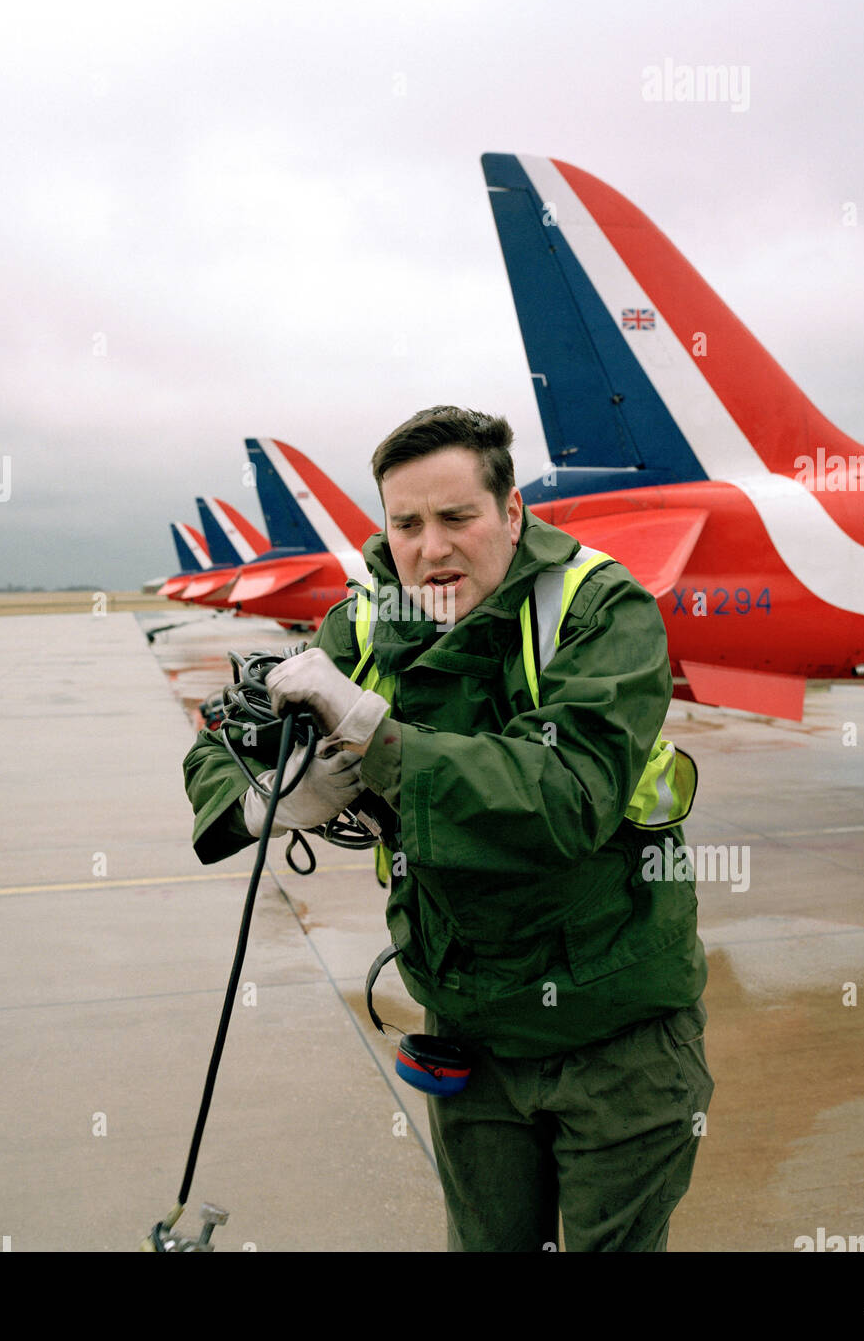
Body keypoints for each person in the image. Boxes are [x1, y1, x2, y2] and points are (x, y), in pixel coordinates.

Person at [182, 405, 712, 1252]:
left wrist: (376, 735)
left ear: (511, 513)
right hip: (468, 1029)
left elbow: (567, 794)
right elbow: (224, 740)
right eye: (408, 524)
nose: (432, 548)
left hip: (618, 1038)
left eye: (457, 518)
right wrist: (273, 798)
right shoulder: (363, 624)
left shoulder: (599, 611)